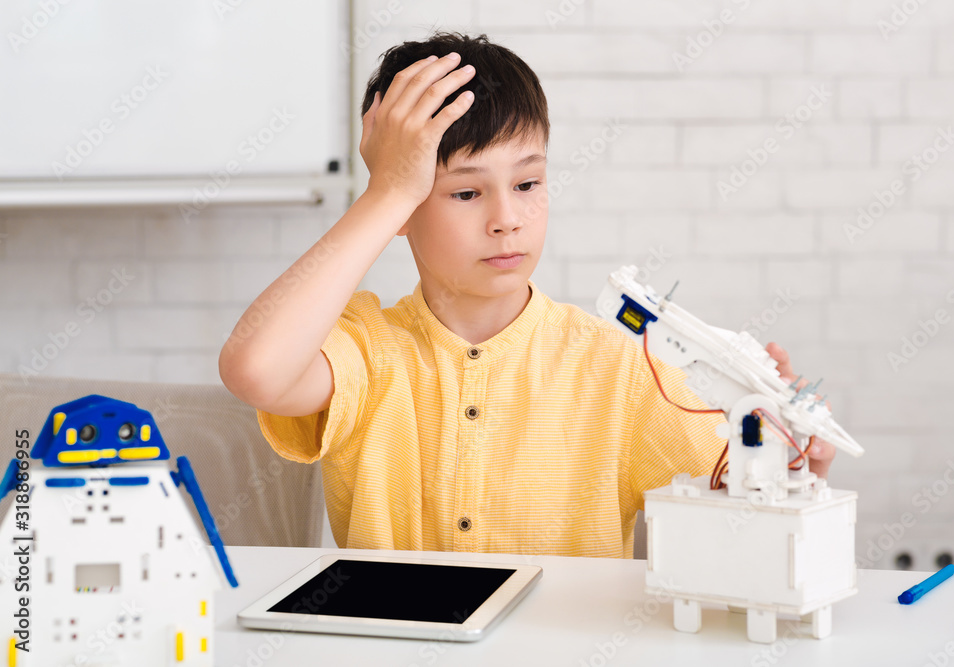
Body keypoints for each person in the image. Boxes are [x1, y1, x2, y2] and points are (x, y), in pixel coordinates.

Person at [218, 31, 834, 558]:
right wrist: (386, 192)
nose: (507, 218)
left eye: (529, 182)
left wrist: (788, 459)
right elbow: (256, 369)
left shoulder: (618, 363)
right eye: (466, 193)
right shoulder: (364, 350)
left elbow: (743, 508)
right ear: (402, 206)